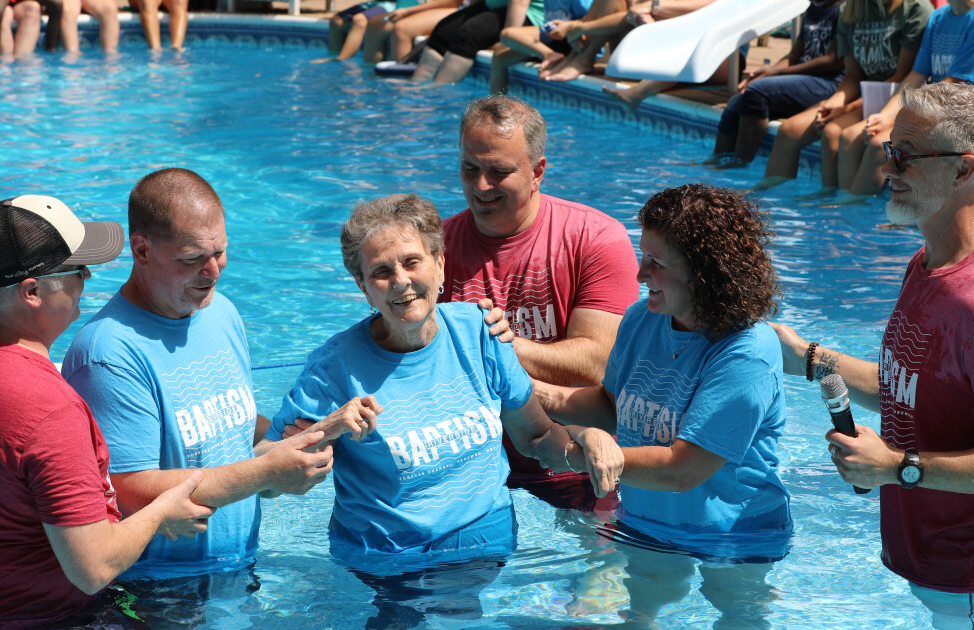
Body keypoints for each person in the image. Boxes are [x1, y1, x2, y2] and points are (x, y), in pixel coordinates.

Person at [264, 193, 620, 628]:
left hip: (493, 554)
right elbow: (264, 478)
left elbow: (538, 437)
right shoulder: (333, 369)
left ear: (440, 265)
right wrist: (326, 430)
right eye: (381, 272)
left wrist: (585, 437)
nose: (400, 281)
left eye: (412, 262)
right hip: (391, 570)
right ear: (362, 285)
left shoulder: (480, 332)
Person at [771, 82, 974, 627]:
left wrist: (897, 468)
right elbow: (912, 389)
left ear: (962, 170)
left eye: (905, 156)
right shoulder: (926, 266)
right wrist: (807, 357)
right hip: (932, 559)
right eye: (889, 151)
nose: (887, 169)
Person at [0, 195, 213, 629]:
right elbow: (93, 569)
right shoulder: (50, 409)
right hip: (40, 618)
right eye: (78, 271)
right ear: (32, 292)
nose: (87, 280)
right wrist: (161, 514)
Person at [61, 169, 336, 597]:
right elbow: (126, 491)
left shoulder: (220, 312)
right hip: (157, 591)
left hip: (240, 570)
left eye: (220, 252)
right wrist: (266, 472)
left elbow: (225, 433)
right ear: (142, 250)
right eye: (192, 259)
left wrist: (290, 447)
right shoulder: (107, 354)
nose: (212, 272)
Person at [536, 184, 792, 627]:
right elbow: (611, 407)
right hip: (646, 522)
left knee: (737, 618)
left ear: (706, 274)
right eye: (643, 256)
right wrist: (526, 390)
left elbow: (682, 470)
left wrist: (577, 454)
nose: (640, 274)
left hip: (734, 538)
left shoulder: (747, 352)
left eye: (656, 263)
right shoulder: (643, 318)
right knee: (639, 616)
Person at [440, 94, 639, 512]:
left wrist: (497, 345)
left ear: (537, 172)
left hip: (576, 461)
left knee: (607, 556)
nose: (480, 186)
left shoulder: (595, 239)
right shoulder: (431, 252)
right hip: (469, 468)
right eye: (470, 168)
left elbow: (597, 363)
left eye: (499, 172)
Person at [831, 0, 974, 202]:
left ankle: (853, 209)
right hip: (940, 110)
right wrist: (886, 116)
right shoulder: (938, 17)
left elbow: (954, 84)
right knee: (853, 138)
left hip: (971, 118)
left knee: (881, 147)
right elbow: (917, 74)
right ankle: (846, 204)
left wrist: (902, 119)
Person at [754, 0, 932, 194]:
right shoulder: (851, 9)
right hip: (865, 98)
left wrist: (847, 108)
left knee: (835, 134)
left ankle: (841, 202)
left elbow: (902, 79)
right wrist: (834, 103)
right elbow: (853, 76)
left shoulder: (914, 9)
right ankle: (767, 199)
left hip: (897, 99)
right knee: (789, 131)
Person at [705, 0, 844, 169]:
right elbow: (794, 55)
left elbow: (833, 61)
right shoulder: (814, 9)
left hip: (829, 83)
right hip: (802, 80)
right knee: (738, 99)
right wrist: (767, 72)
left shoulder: (843, 11)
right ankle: (715, 161)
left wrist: (778, 73)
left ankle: (739, 164)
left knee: (757, 92)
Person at [412, 0, 545, 84]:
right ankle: (417, 89)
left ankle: (438, 94)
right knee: (444, 30)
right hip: (496, 5)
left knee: (468, 35)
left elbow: (520, 2)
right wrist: (470, 14)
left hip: (529, 14)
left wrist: (508, 40)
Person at [488, 0, 592, 92]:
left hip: (571, 39)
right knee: (499, 57)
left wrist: (573, 29)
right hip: (553, 37)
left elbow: (589, 18)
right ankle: (496, 106)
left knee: (507, 34)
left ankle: (549, 55)